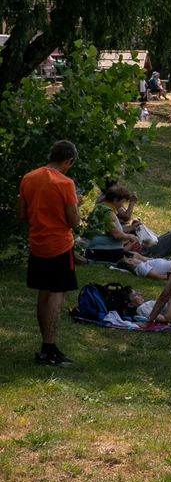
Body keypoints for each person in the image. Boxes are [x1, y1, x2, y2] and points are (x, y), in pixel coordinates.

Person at [18, 140, 81, 366]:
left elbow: (21, 214)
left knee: (42, 294)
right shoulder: (65, 184)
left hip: (37, 244)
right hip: (59, 246)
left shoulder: (28, 178)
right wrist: (77, 206)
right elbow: (73, 221)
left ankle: (46, 347)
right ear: (67, 161)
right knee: (57, 294)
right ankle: (50, 347)